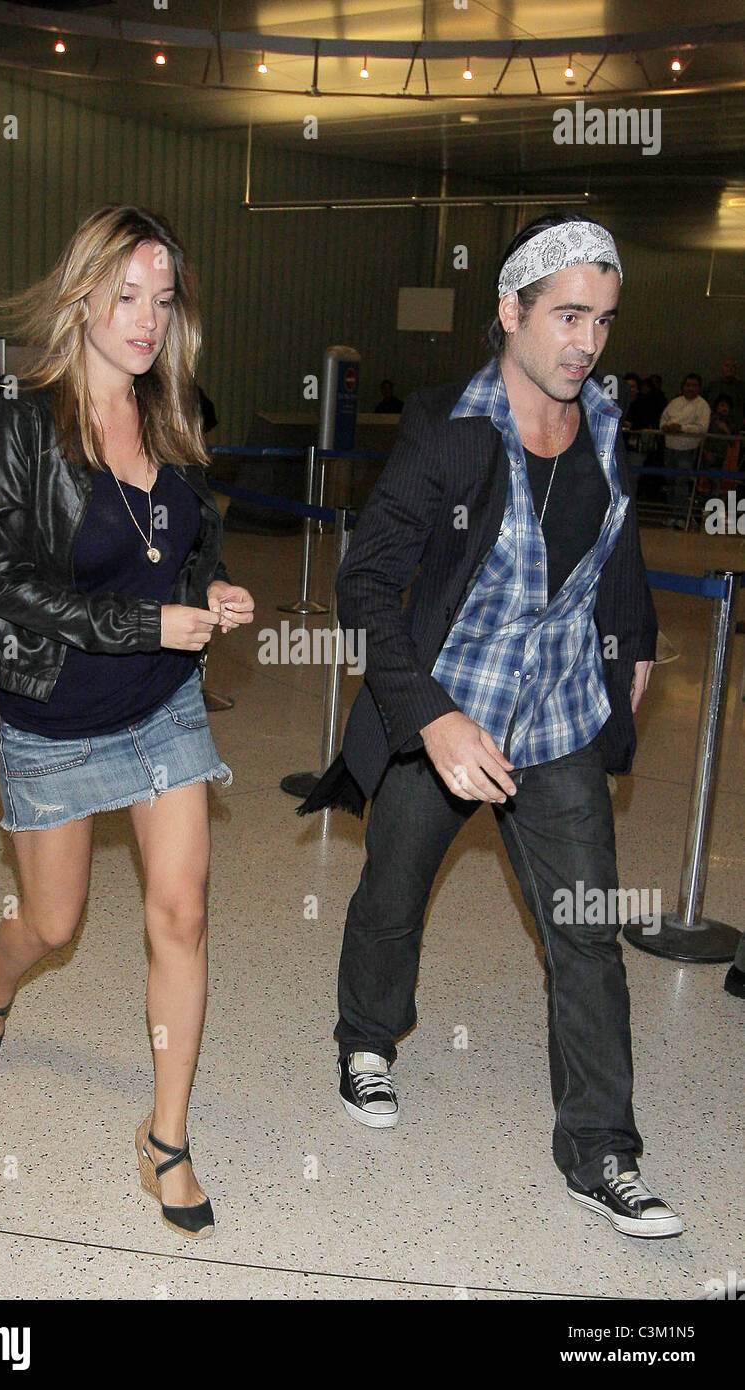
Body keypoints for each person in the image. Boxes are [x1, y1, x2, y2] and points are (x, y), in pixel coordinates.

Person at [300, 212, 683, 1239]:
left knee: (584, 933)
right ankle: (365, 1037)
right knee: (393, 889)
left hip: (554, 711)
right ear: (506, 311)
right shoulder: (445, 430)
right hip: (448, 702)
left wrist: (631, 636)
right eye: (564, 315)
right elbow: (367, 583)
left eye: (600, 320)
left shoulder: (602, 421)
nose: (585, 342)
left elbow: (615, 547)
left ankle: (600, 1150)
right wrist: (427, 717)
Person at [0, 204, 254, 1239]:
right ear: (81, 293)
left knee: (180, 914)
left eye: (162, 298)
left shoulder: (176, 410)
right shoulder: (21, 416)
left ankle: (165, 1137)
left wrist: (211, 588)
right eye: (125, 295)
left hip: (160, 701)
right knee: (52, 923)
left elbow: (192, 533)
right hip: (55, 712)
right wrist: (146, 618)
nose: (144, 319)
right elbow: (1, 580)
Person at [659, 374, 711, 527]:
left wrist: (681, 428)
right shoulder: (675, 402)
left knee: (682, 483)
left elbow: (702, 427)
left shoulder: (702, 405)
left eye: (694, 385)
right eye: (687, 385)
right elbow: (663, 419)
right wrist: (665, 427)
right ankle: (672, 514)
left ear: (699, 388)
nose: (690, 388)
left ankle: (681, 517)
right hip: (670, 447)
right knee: (670, 483)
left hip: (688, 449)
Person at [705, 357, 745, 434]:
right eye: (727, 366)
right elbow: (704, 406)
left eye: (733, 367)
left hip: (736, 428)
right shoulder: (712, 386)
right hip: (713, 427)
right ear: (722, 368)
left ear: (736, 370)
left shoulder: (742, 388)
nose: (730, 369)